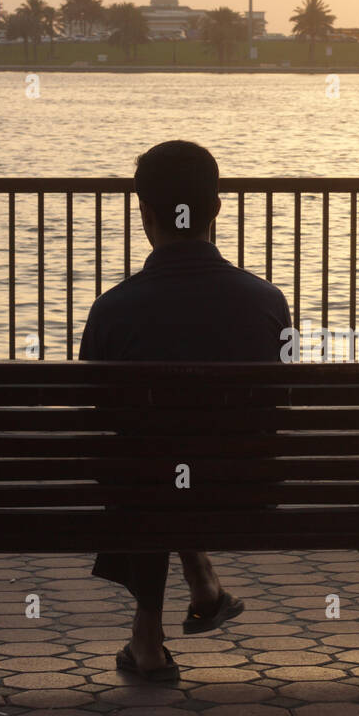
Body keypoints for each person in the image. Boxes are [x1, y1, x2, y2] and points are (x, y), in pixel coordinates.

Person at [79, 140, 292, 681]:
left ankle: (150, 636)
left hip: (145, 492)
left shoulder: (113, 310)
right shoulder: (267, 302)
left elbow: (93, 420)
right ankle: (200, 580)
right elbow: (281, 403)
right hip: (246, 491)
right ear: (216, 208)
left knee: (145, 464)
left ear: (145, 214)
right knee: (170, 460)